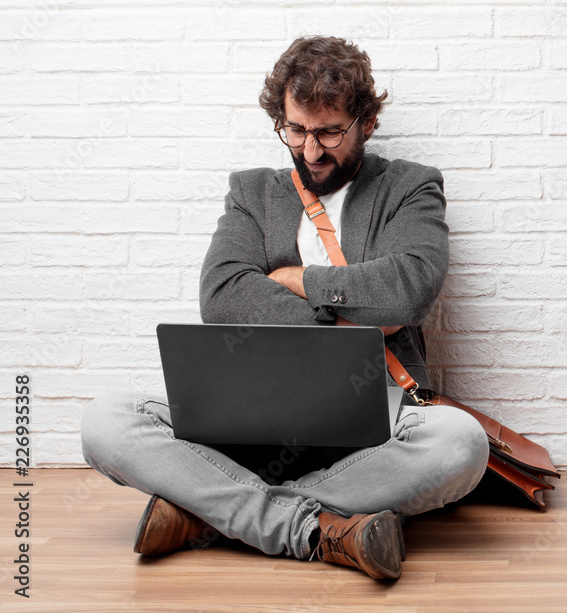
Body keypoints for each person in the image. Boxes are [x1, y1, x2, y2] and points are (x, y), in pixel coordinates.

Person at [80, 36, 490, 581]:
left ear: (367, 122)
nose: (312, 150)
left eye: (329, 132)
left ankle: (208, 514)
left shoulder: (409, 187)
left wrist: (299, 279)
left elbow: (406, 292)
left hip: (374, 417)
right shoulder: (254, 193)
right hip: (248, 415)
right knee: (105, 419)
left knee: (460, 443)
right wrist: (352, 317)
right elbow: (223, 297)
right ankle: (319, 530)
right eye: (296, 130)